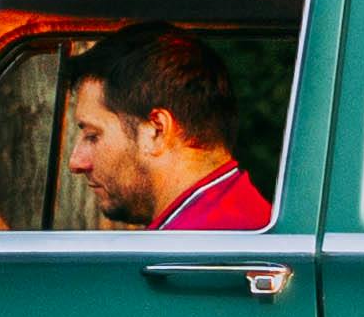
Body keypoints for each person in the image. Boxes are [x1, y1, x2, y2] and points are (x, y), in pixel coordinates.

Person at [66, 23, 271, 230]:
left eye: (92, 136)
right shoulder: (239, 220)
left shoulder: (191, 248)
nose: (76, 163)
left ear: (156, 130)